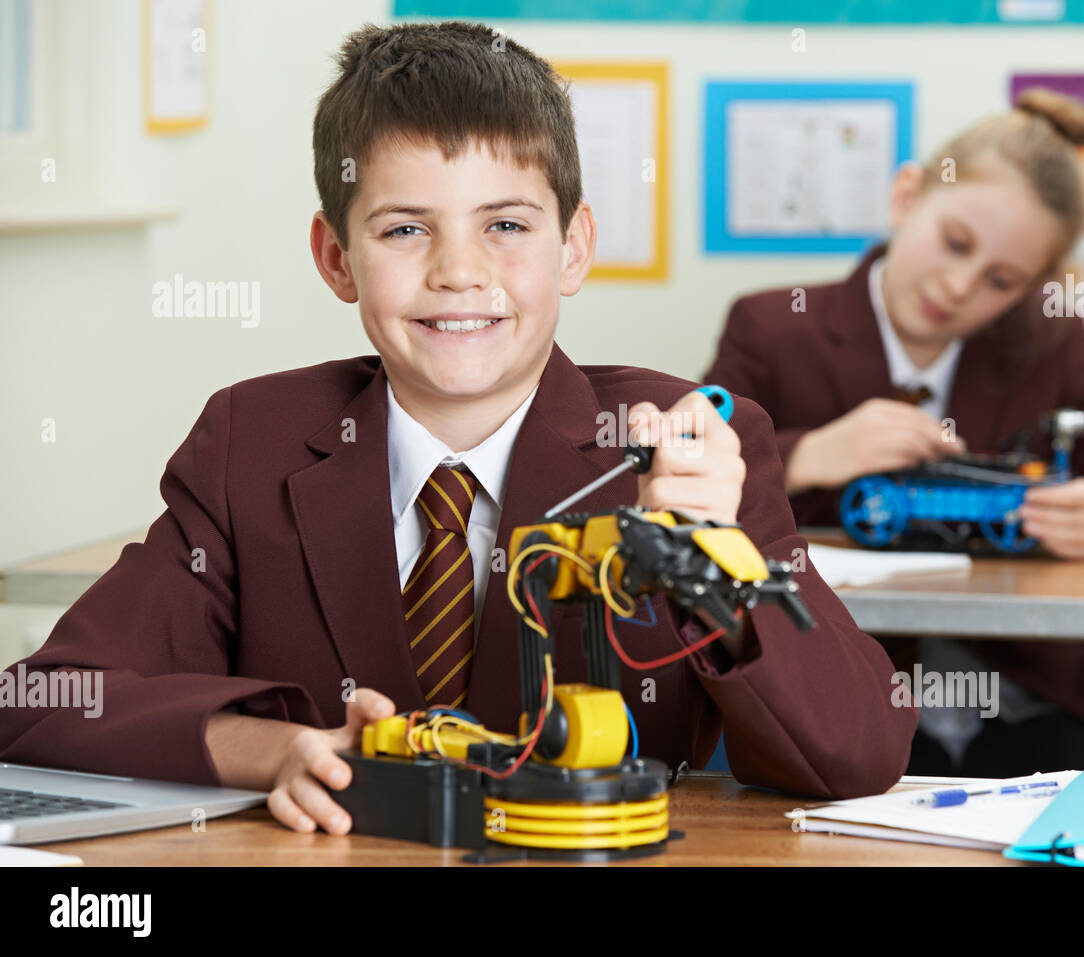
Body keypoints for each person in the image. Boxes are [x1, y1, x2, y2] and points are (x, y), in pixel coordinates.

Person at [0, 22, 916, 833]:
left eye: (507, 224)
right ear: (336, 257)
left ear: (575, 247)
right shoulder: (254, 441)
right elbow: (39, 701)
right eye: (404, 230)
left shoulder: (679, 444)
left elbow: (858, 752)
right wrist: (272, 748)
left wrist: (721, 559)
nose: (459, 272)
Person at [702, 88, 1084, 777]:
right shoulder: (772, 328)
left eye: (1001, 280)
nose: (959, 286)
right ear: (908, 196)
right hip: (847, 687)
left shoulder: (1045, 344)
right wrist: (808, 455)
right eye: (954, 243)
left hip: (1034, 695)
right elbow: (686, 475)